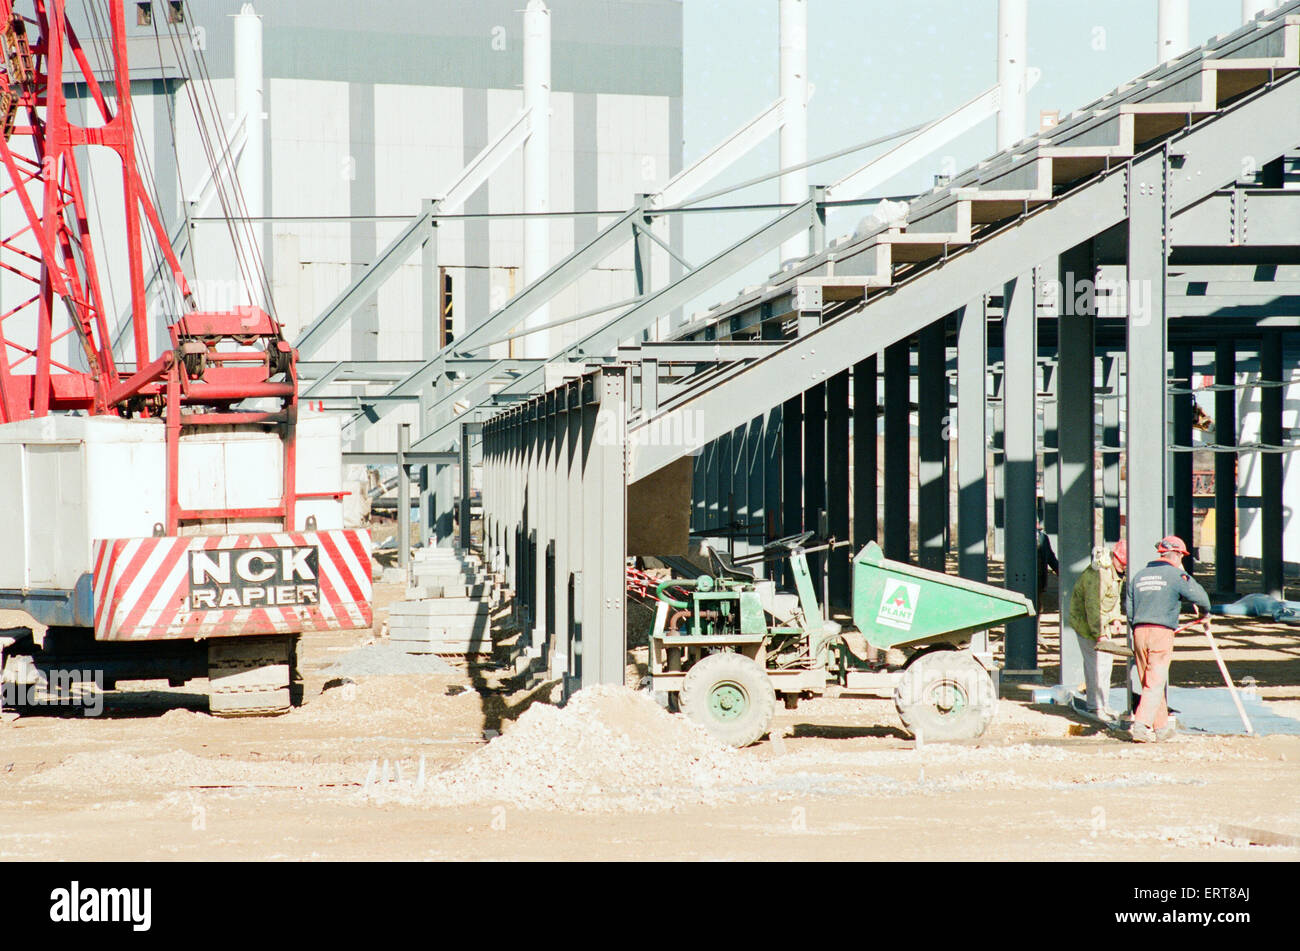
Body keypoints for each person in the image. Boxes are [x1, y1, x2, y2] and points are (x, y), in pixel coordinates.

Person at [1123, 535, 1211, 743]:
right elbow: (1201, 598)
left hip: (1138, 631)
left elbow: (1128, 609)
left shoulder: (1139, 576)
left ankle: (1161, 728)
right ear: (1178, 554)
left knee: (1151, 682)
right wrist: (1205, 614)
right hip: (1160, 633)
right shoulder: (1176, 575)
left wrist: (1136, 628)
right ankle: (1140, 725)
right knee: (1154, 682)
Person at [1067, 540, 1127, 721]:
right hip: (1086, 624)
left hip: (1101, 622)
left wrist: (1116, 618)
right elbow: (1092, 608)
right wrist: (1100, 633)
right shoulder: (1098, 574)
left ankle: (1103, 704)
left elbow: (1114, 597)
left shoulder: (1116, 571)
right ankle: (1095, 707)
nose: (1125, 567)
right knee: (1096, 665)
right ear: (1115, 557)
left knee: (1106, 664)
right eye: (1123, 563)